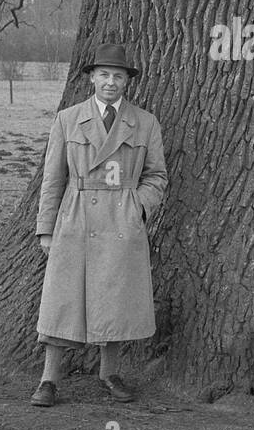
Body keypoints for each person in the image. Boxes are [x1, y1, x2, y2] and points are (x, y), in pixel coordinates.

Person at [30, 43, 167, 406]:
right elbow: (52, 179)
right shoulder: (67, 119)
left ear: (127, 82)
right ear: (92, 77)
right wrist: (46, 228)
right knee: (63, 299)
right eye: (104, 75)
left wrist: (137, 207)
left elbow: (157, 176)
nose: (110, 82)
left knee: (115, 299)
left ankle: (110, 373)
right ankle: (48, 380)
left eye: (118, 76)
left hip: (121, 220)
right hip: (75, 218)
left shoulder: (145, 122)